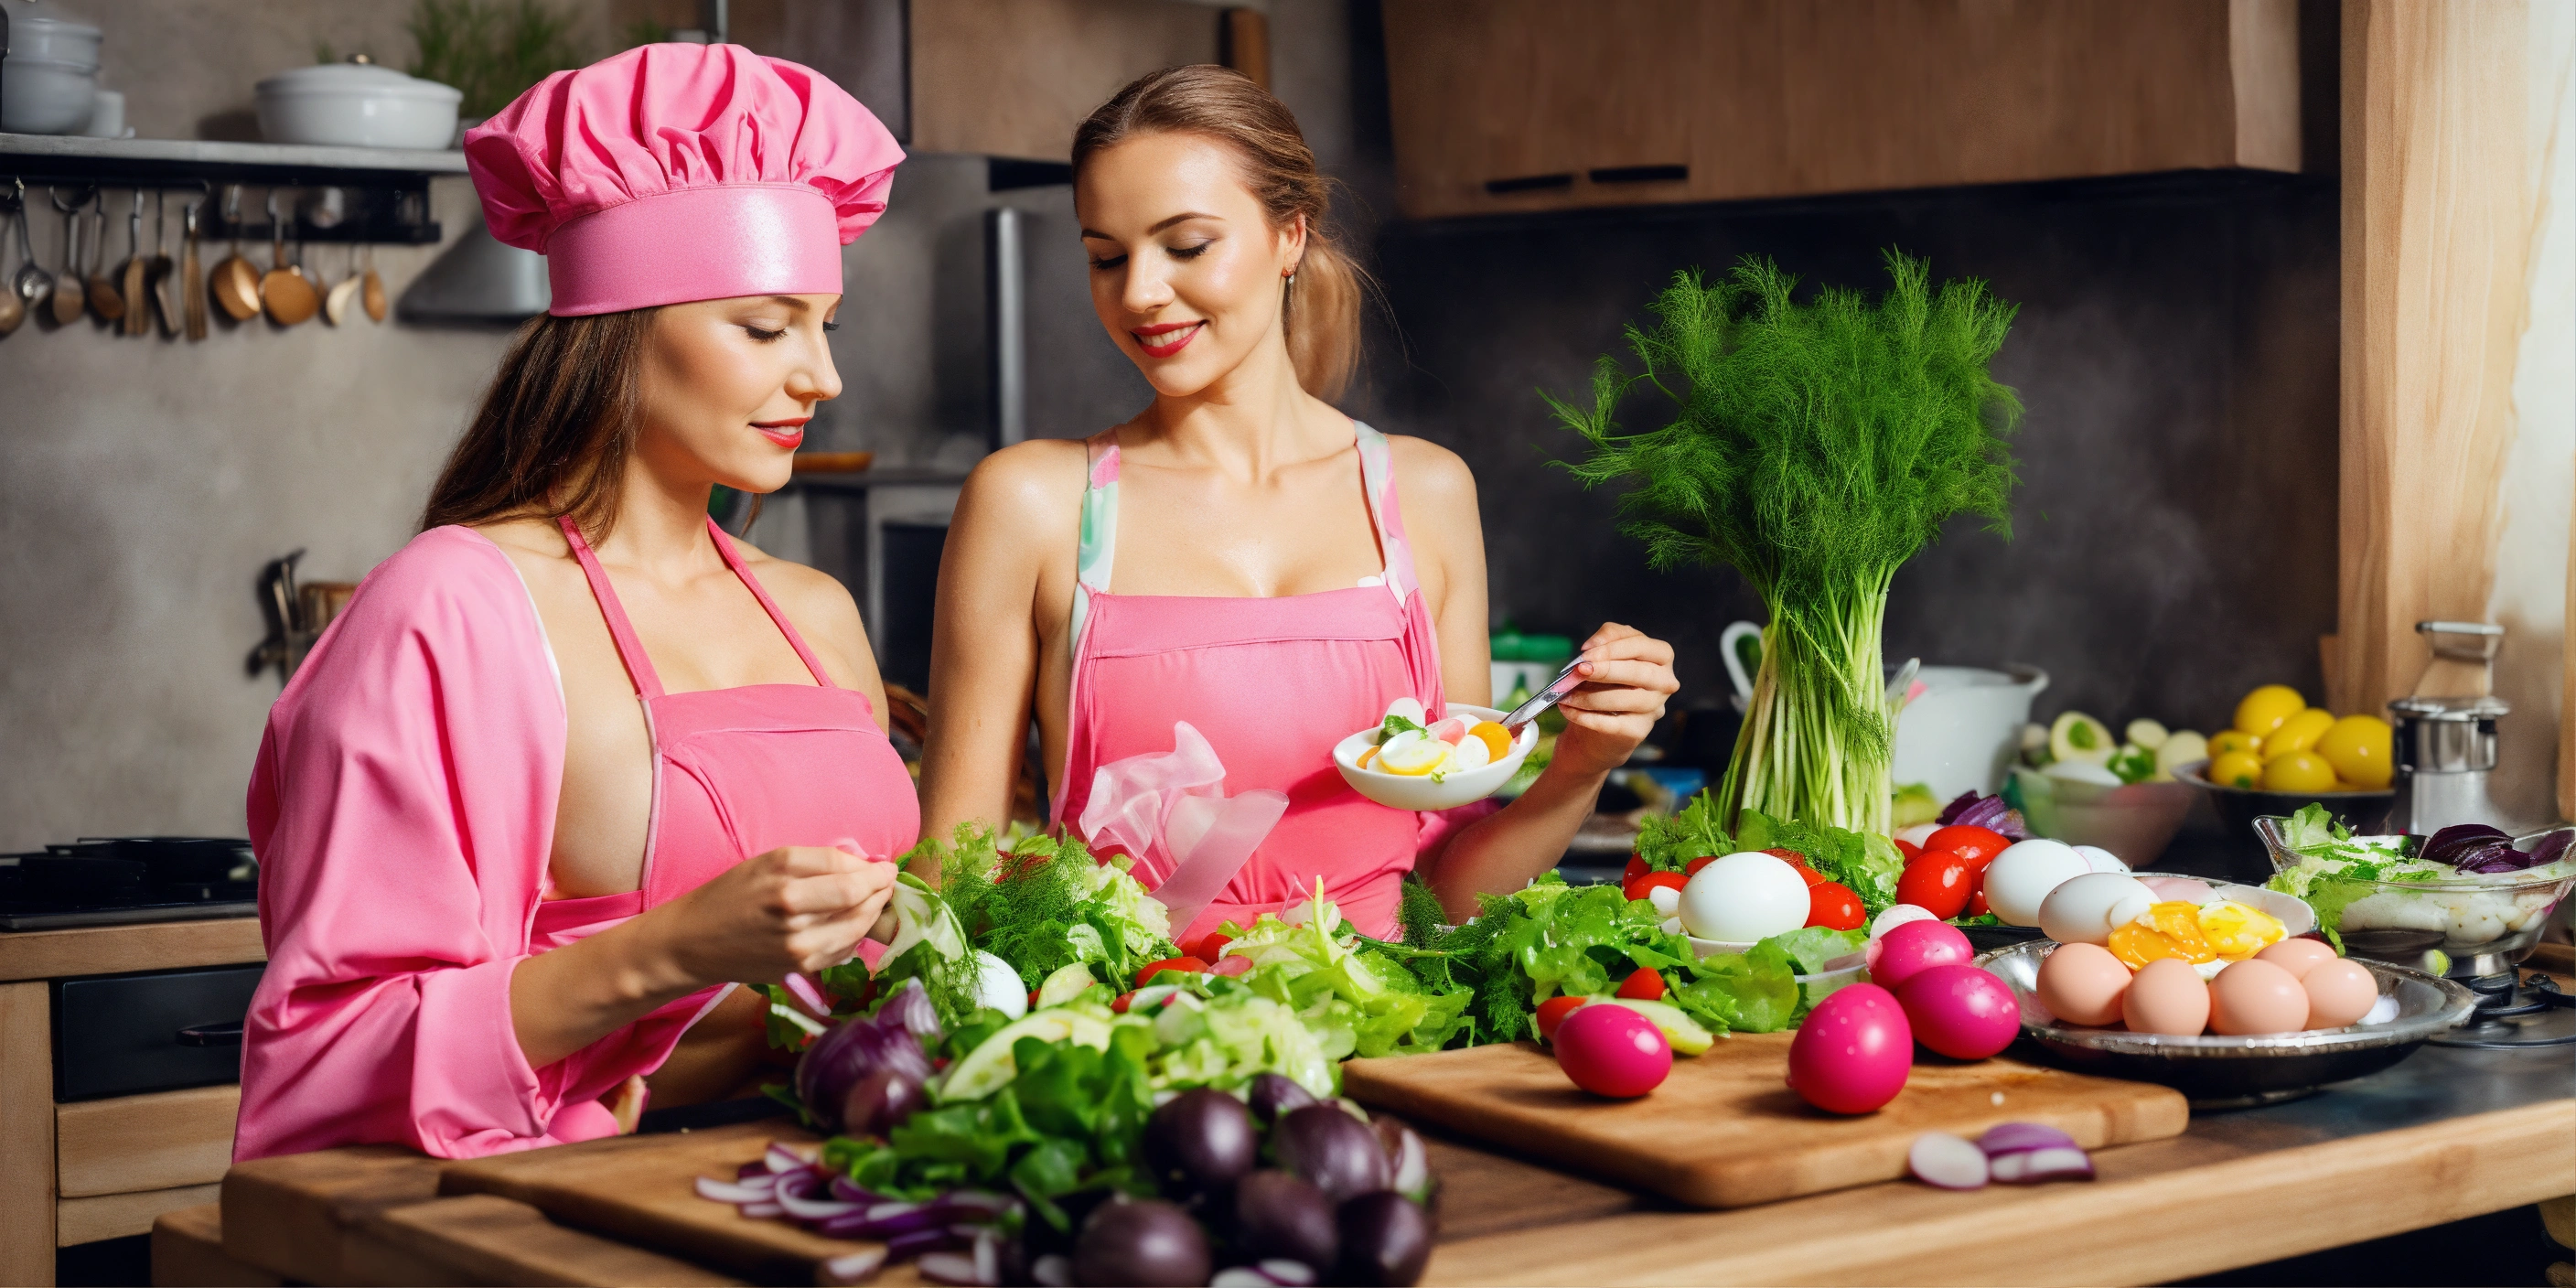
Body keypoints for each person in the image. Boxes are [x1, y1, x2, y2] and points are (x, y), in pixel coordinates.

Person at [234, 44, 915, 1161]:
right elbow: (327, 1056)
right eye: (765, 326)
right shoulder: (453, 607)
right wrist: (675, 948)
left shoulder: (815, 612)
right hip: (584, 1195)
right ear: (621, 325)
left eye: (823, 325)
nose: (821, 377)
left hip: (830, 1173)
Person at [918, 66, 1679, 941]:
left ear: (1290, 237)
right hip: (1127, 1020)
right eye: (1107, 256)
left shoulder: (1424, 493)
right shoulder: (1033, 503)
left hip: (1392, 1015)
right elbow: (949, 874)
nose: (1138, 293)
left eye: (1186, 246)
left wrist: (1582, 765)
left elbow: (1447, 897)